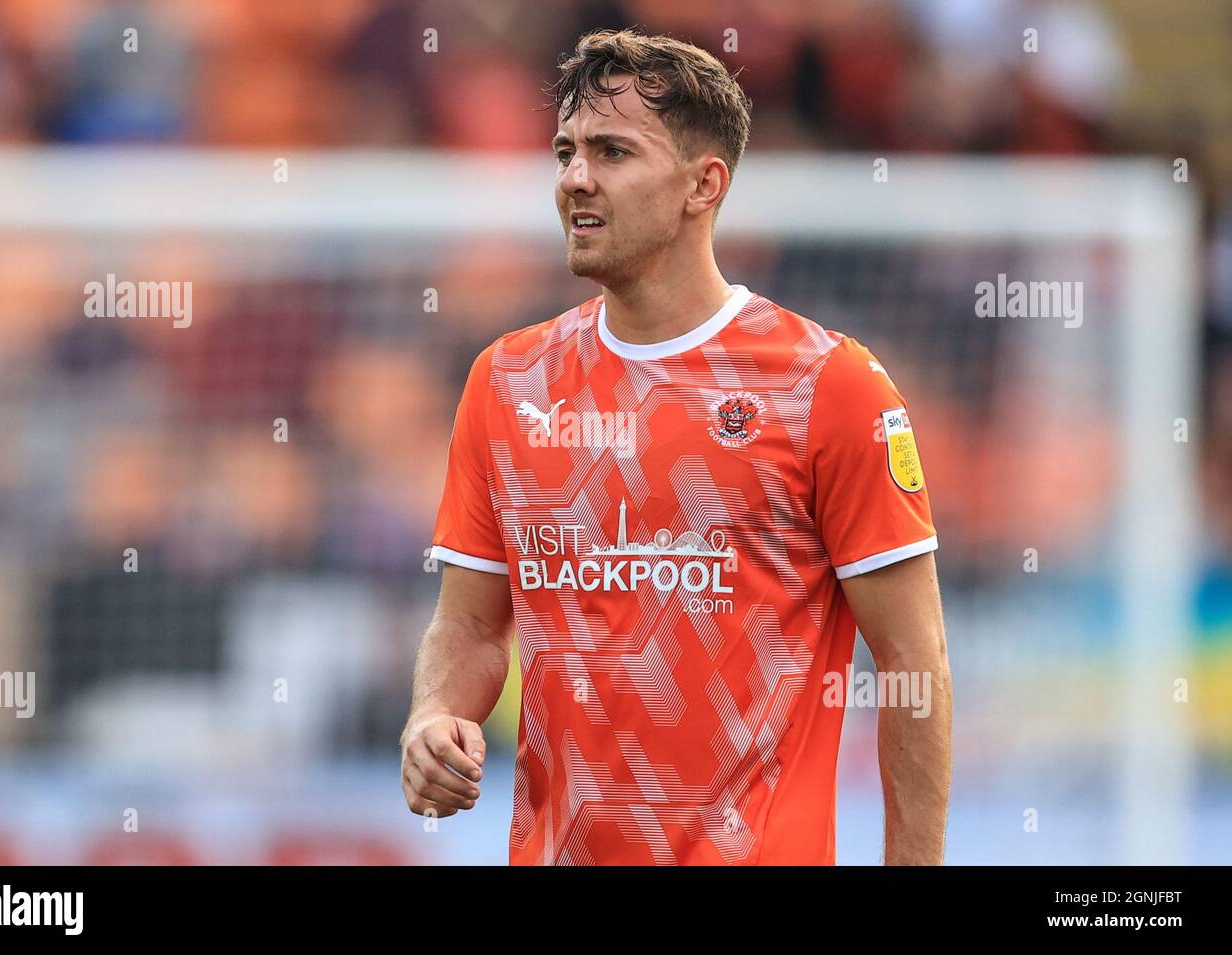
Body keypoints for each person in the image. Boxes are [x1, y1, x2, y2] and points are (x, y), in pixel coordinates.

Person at [401, 28, 951, 865]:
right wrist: (434, 715)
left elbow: (914, 661)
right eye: (566, 152)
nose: (575, 178)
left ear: (705, 184)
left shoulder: (826, 386)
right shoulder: (507, 381)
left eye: (613, 152)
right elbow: (472, 625)